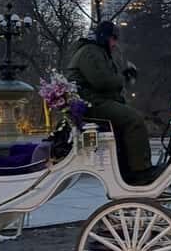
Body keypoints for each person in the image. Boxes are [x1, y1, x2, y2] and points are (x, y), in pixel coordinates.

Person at [66, 20, 155, 184]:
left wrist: (123, 78)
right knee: (134, 120)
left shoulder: (97, 51)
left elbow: (107, 82)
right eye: (113, 38)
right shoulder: (90, 52)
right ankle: (141, 171)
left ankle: (128, 168)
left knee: (131, 118)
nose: (115, 43)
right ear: (104, 37)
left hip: (96, 101)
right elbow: (102, 82)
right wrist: (124, 77)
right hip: (91, 105)